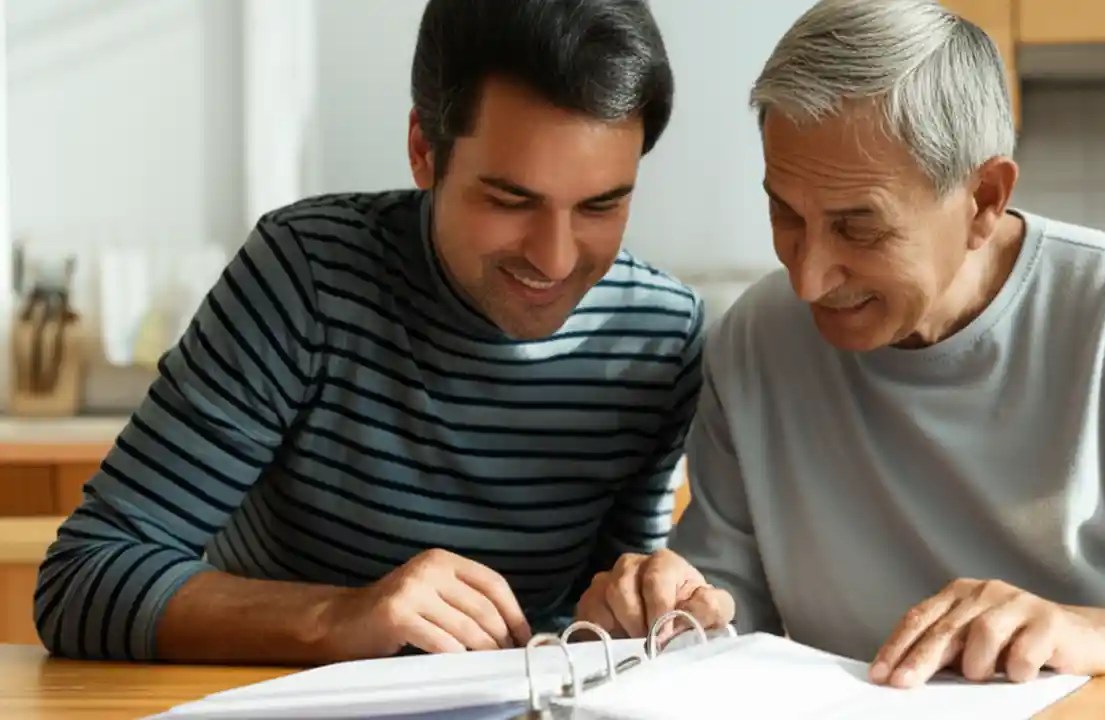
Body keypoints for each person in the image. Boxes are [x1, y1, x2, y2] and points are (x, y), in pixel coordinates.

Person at [576, 0, 1105, 689]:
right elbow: (728, 598)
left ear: (983, 200)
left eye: (859, 227)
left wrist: (1084, 632)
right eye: (785, 213)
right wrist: (676, 606)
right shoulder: (757, 340)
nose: (809, 276)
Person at [36, 0, 703, 665]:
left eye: (602, 205)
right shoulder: (307, 274)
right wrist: (339, 618)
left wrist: (639, 609)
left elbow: (604, 618)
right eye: (509, 200)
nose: (555, 260)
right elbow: (82, 577)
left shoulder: (661, 338)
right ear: (423, 151)